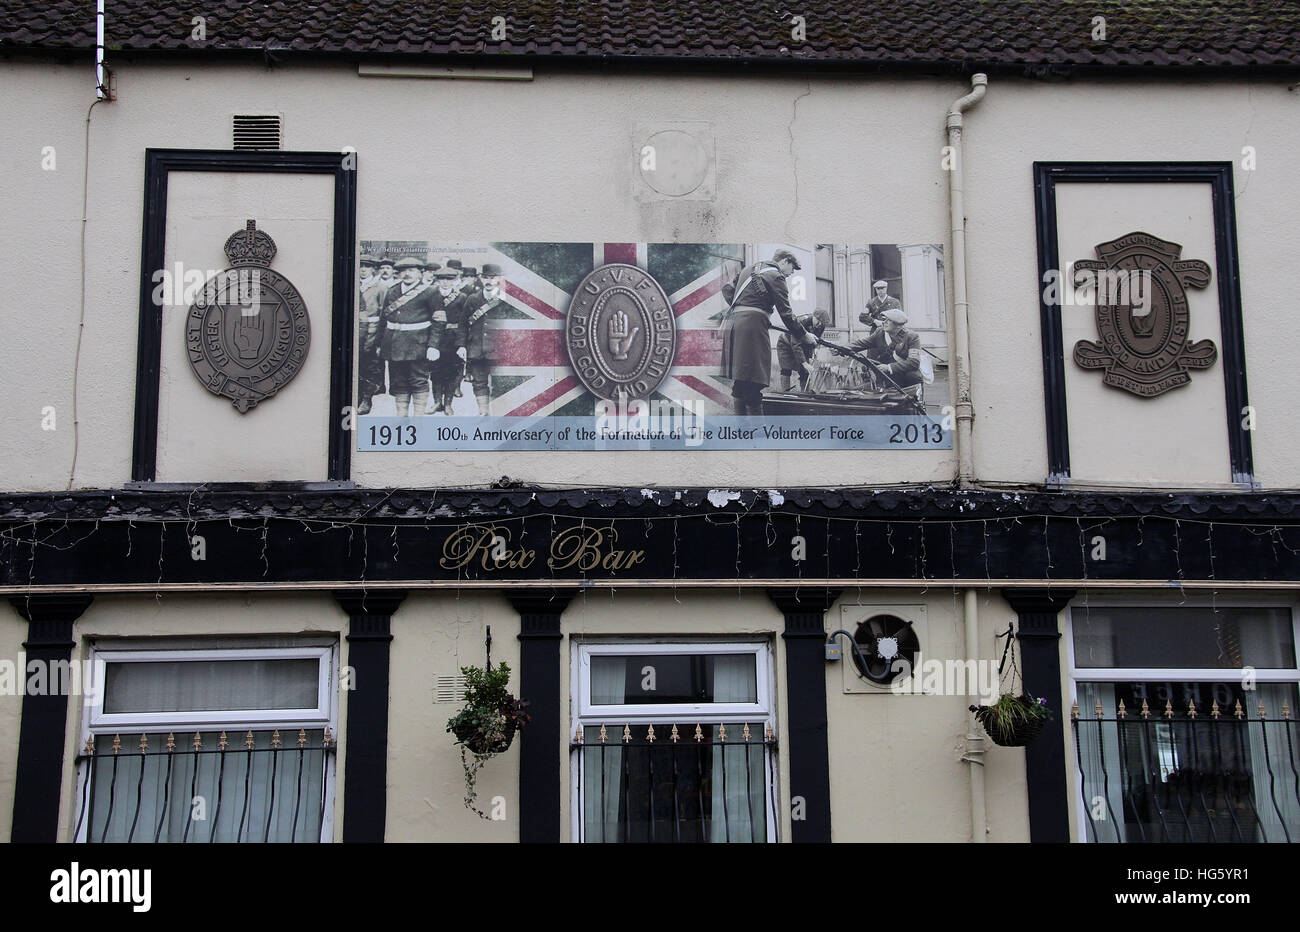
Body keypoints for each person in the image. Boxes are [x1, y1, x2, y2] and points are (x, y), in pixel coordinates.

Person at [720, 248, 815, 415]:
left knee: (741, 379)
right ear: (784, 261)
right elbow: (786, 313)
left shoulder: (749, 269)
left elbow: (727, 290)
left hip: (735, 325)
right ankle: (759, 435)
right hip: (753, 329)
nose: (792, 273)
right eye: (793, 268)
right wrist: (804, 335)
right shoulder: (776, 276)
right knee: (754, 381)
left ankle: (741, 432)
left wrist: (744, 309)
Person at [379, 257, 443, 416]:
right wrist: (379, 344)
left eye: (411, 270)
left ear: (420, 273)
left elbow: (439, 321)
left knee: (418, 380)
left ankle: (418, 418)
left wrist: (433, 346)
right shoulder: (392, 291)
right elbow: (383, 319)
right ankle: (401, 416)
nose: (407, 274)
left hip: (418, 344)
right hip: (394, 344)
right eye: (403, 271)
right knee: (399, 382)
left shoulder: (431, 292)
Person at [459, 262, 505, 416]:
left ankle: (499, 413)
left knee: (500, 382)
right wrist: (461, 345)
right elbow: (463, 325)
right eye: (485, 277)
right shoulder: (472, 299)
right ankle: (483, 412)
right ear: (481, 278)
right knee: (479, 382)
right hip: (476, 348)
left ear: (499, 279)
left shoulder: (506, 300)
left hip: (499, 349)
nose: (489, 281)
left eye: (493, 277)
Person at [846, 307, 923, 390]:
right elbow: (861, 343)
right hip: (885, 375)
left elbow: (914, 362)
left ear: (897, 325)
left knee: (914, 376)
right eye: (884, 319)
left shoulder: (911, 336)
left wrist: (889, 367)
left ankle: (916, 397)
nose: (884, 322)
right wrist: (843, 348)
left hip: (903, 374)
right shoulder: (880, 333)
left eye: (888, 320)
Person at [427, 266, 467, 414]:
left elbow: (464, 323)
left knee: (452, 372)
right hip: (434, 338)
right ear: (437, 280)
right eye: (441, 279)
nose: (445, 283)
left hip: (453, 339)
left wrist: (462, 344)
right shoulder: (431, 295)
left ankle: (448, 403)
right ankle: (437, 402)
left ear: (454, 280)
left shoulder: (462, 297)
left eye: (449, 279)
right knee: (435, 372)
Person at [356, 254, 390, 414]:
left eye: (367, 266)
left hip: (372, 330)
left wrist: (379, 338)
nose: (363, 269)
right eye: (361, 265)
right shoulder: (353, 283)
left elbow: (384, 313)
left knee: (369, 365)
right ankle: (355, 397)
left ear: (373, 269)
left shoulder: (380, 288)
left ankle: (366, 399)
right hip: (356, 328)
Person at [776, 310, 828, 392]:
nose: (819, 325)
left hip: (802, 345)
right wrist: (804, 363)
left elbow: (816, 340)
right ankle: (785, 394)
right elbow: (796, 345)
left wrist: (815, 350)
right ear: (813, 316)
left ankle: (805, 394)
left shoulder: (821, 325)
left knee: (805, 372)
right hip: (785, 344)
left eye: (822, 323)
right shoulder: (801, 322)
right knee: (786, 369)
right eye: (818, 321)